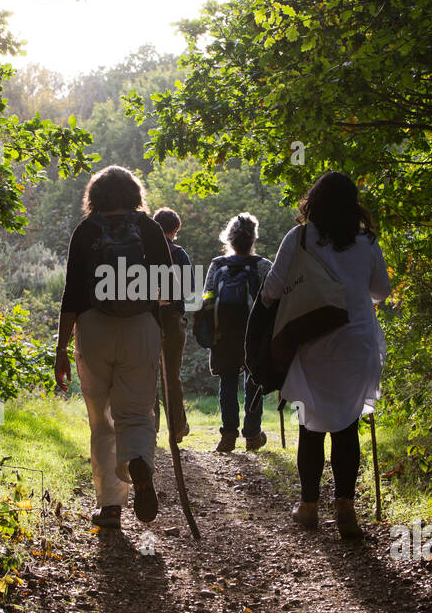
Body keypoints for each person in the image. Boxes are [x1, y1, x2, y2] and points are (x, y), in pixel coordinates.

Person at [260, 172, 391, 540]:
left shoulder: (299, 237)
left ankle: (309, 507)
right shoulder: (366, 241)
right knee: (348, 427)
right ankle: (346, 508)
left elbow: (272, 289)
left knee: (310, 428)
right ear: (352, 204)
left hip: (312, 341)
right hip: (357, 342)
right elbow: (381, 289)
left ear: (312, 201)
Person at [55, 166, 172, 530]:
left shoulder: (87, 231)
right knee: (137, 414)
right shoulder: (150, 228)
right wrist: (164, 336)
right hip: (140, 327)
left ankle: (110, 508)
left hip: (94, 329)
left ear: (96, 196)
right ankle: (137, 461)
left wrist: (61, 348)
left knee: (101, 420)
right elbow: (168, 288)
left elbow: (72, 293)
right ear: (134, 194)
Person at [202, 213, 272, 452]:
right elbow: (274, 299)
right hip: (254, 334)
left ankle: (228, 435)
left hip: (224, 335)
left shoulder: (217, 265)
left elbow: (207, 298)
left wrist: (210, 330)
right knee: (254, 382)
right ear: (253, 238)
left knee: (228, 382)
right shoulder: (263, 266)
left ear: (228, 238)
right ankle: (252, 435)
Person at [153, 207, 191, 444]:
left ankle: (150, 427)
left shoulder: (144, 252)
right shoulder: (179, 254)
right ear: (175, 229)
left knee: (147, 374)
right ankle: (177, 427)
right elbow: (188, 290)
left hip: (147, 318)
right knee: (172, 375)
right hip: (173, 319)